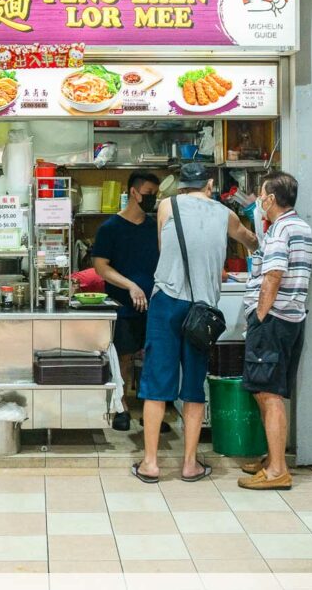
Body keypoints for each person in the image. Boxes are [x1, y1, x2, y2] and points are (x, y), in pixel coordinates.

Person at [131, 163, 258, 483]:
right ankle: (189, 464)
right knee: (193, 387)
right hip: (202, 309)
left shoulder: (165, 205)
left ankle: (150, 464)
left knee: (156, 385)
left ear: (181, 185)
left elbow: (164, 249)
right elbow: (251, 242)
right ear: (210, 185)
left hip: (166, 303)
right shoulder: (225, 214)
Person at [238, 172, 312, 491]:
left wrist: (259, 314)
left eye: (261, 195)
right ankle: (273, 458)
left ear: (271, 198)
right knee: (270, 390)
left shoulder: (282, 229)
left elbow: (273, 275)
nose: (258, 201)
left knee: (268, 394)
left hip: (273, 320)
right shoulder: (301, 226)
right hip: (290, 318)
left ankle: (277, 470)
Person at [92, 171, 161, 431]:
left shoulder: (155, 226)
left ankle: (151, 413)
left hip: (155, 304)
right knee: (124, 357)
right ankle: (121, 408)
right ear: (133, 192)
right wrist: (130, 285)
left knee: (153, 359)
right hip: (122, 304)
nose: (152, 199)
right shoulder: (110, 228)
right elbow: (100, 267)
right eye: (148, 194)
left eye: (155, 195)